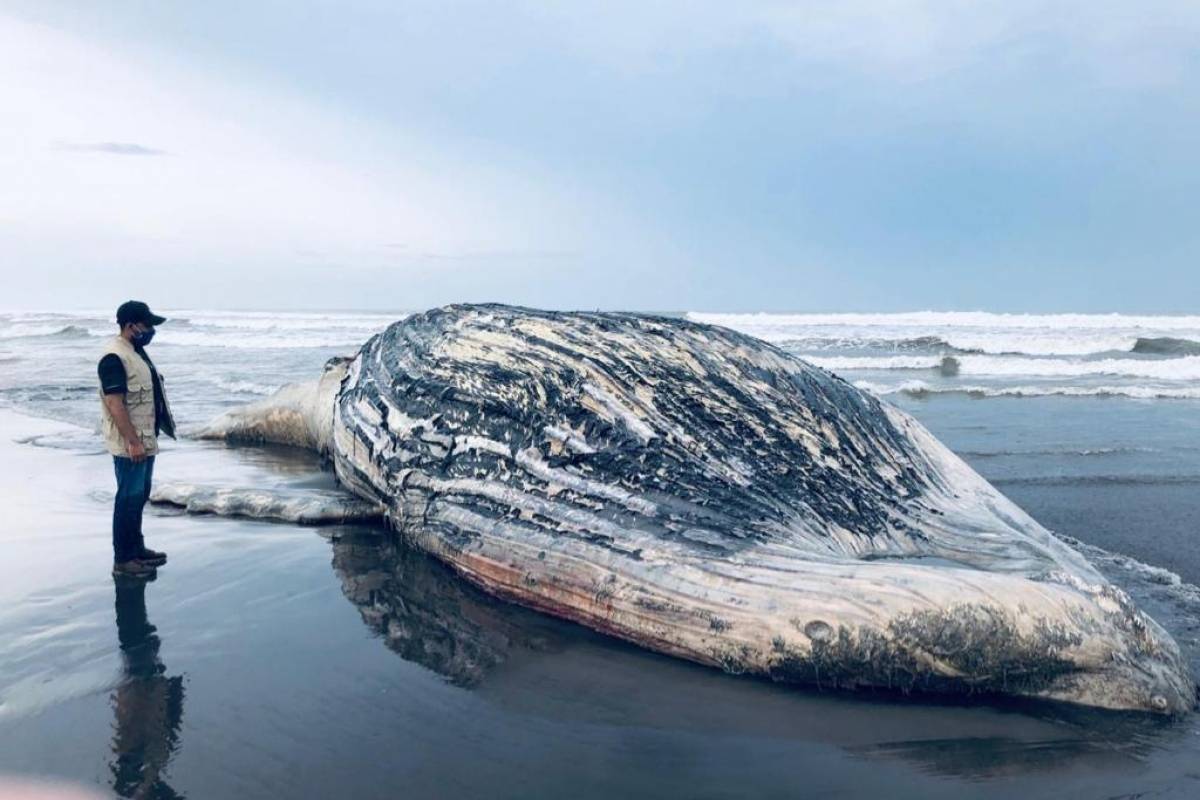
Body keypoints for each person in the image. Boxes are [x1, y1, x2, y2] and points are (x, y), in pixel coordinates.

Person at [98, 301, 176, 578]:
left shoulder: (136, 352)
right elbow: (114, 402)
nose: (151, 330)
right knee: (127, 499)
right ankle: (123, 559)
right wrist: (132, 441)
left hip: (145, 438)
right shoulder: (113, 357)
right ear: (131, 325)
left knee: (139, 495)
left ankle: (137, 549)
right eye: (147, 324)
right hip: (130, 443)